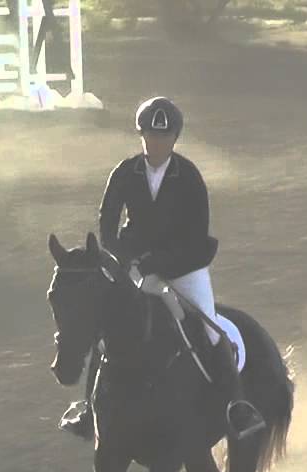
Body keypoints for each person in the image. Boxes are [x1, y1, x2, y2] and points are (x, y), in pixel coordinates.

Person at [58, 97, 266, 442]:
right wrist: (120, 257)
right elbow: (107, 219)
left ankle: (236, 406)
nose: (155, 143)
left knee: (209, 328)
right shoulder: (126, 172)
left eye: (163, 136)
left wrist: (162, 262)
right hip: (136, 265)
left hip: (185, 265)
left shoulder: (189, 177)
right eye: (149, 137)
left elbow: (197, 232)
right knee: (107, 320)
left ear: (174, 138)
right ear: (141, 136)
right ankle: (90, 408)